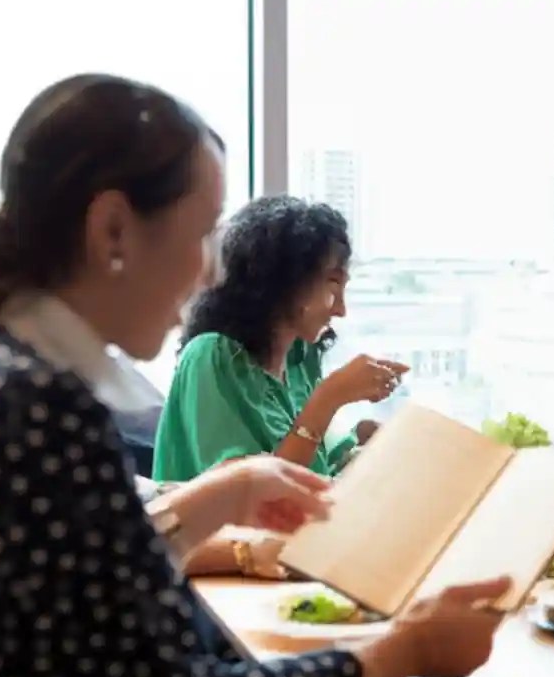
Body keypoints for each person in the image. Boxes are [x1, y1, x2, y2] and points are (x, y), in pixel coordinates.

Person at [0, 73, 507, 677]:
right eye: (203, 232)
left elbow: (80, 583)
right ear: (113, 232)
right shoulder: (40, 408)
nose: (211, 268)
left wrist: (218, 499)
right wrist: (401, 652)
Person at [153, 195, 407, 483]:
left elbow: (319, 463)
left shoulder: (300, 358)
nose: (341, 309)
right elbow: (254, 501)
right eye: (333, 284)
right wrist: (330, 397)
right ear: (284, 281)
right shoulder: (211, 358)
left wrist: (367, 437)